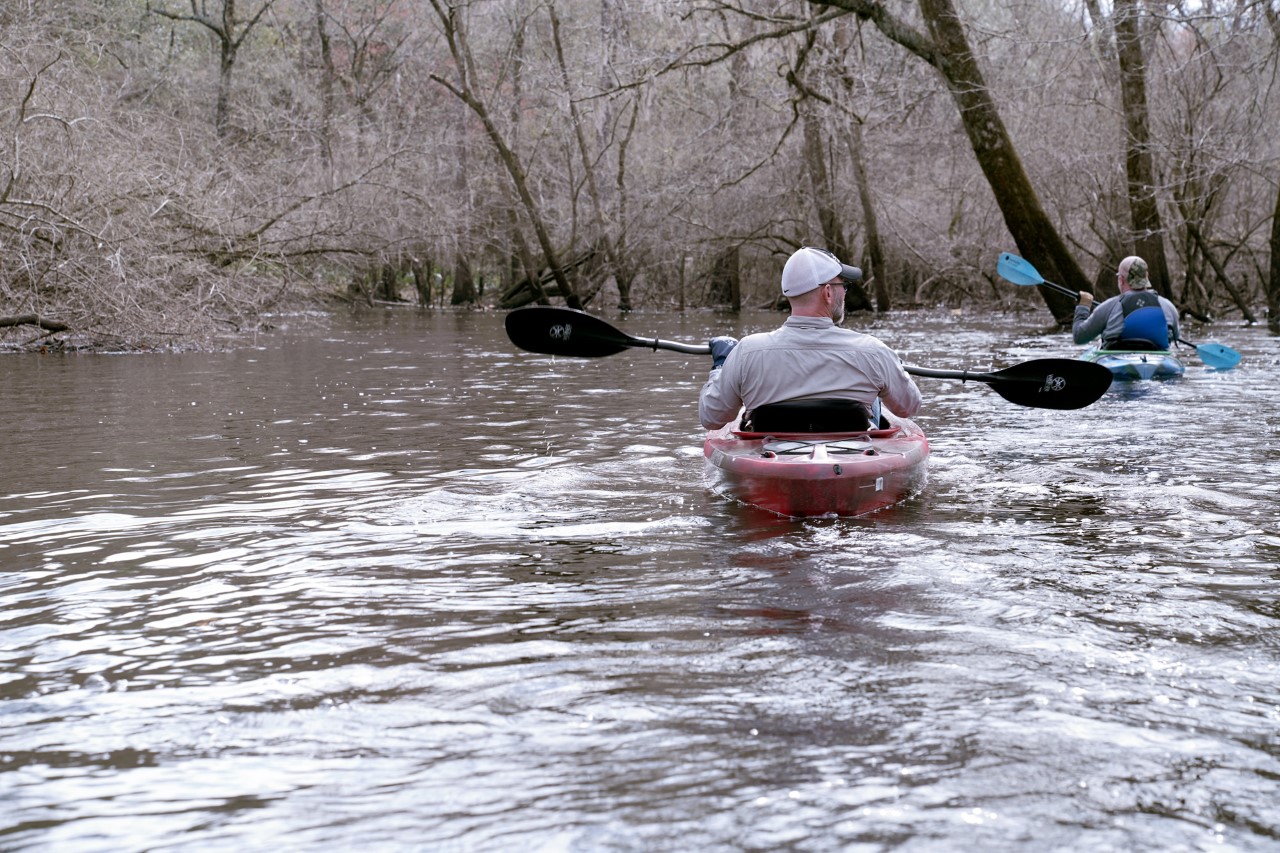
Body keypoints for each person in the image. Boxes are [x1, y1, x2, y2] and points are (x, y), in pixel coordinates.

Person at [699, 246, 921, 432]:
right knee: (874, 398)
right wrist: (894, 367)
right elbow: (908, 407)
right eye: (842, 285)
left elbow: (711, 417)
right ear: (827, 292)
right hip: (850, 456)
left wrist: (720, 366)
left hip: (773, 457)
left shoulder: (746, 351)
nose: (844, 292)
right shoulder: (873, 351)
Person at [1072, 255, 1180, 351]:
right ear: (1146, 276)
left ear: (1121, 279)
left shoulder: (1109, 306)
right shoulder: (1168, 306)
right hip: (1159, 360)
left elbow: (1079, 337)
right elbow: (1176, 336)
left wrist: (1083, 306)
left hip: (1116, 359)